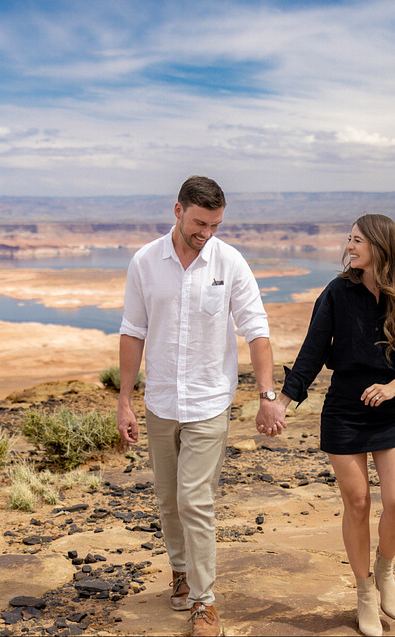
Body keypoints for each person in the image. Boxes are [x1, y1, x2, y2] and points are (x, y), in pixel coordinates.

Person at [257, 213, 395, 637]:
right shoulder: (337, 292)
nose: (349, 247)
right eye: (349, 240)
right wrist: (281, 402)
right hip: (344, 412)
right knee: (357, 504)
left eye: (357, 241)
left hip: (391, 412)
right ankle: (364, 592)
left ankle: (385, 568)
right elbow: (312, 351)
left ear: (380, 246)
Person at [116, 175, 276, 637]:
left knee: (194, 500)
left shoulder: (230, 262)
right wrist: (125, 401)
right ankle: (181, 572)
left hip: (209, 402)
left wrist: (266, 396)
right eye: (200, 223)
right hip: (162, 401)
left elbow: (257, 331)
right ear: (178, 210)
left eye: (216, 225)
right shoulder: (145, 262)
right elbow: (133, 331)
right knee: (169, 501)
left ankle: (204, 603)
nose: (207, 233)